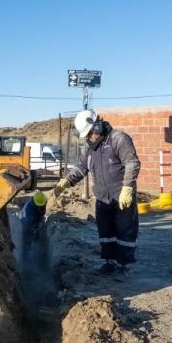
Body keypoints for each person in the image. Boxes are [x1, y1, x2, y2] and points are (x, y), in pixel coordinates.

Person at [52, 110, 141, 275]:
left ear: (98, 126)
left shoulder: (118, 139)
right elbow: (81, 168)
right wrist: (66, 181)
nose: (88, 138)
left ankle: (124, 265)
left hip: (121, 195)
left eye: (89, 134)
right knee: (105, 231)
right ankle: (110, 262)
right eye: (86, 136)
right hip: (102, 197)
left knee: (125, 230)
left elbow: (132, 163)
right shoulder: (89, 148)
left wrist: (128, 187)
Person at [18, 190, 49, 262]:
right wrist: (34, 230)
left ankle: (38, 243)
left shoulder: (43, 201)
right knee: (28, 235)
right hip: (24, 220)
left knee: (37, 231)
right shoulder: (28, 211)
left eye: (42, 205)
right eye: (39, 206)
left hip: (35, 216)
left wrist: (40, 222)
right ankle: (27, 252)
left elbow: (41, 213)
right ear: (35, 203)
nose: (41, 206)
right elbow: (29, 227)